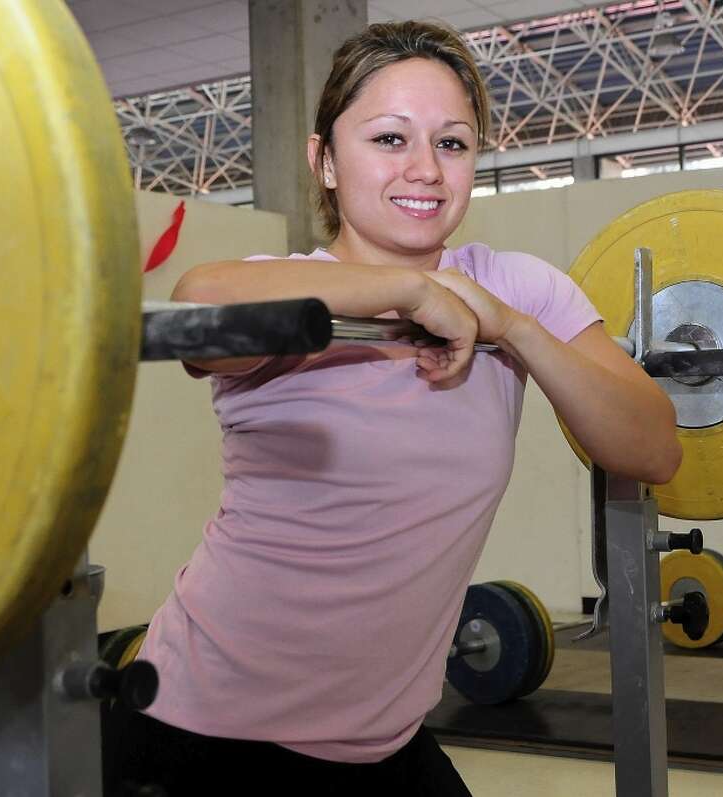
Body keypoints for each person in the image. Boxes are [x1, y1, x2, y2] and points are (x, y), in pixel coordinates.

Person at [104, 20, 681, 797]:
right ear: (325, 161)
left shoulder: (517, 289)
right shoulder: (282, 283)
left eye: (452, 143)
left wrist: (510, 328)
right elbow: (198, 306)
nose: (425, 170)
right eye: (387, 138)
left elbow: (652, 446)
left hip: (380, 744)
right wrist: (411, 291)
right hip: (204, 731)